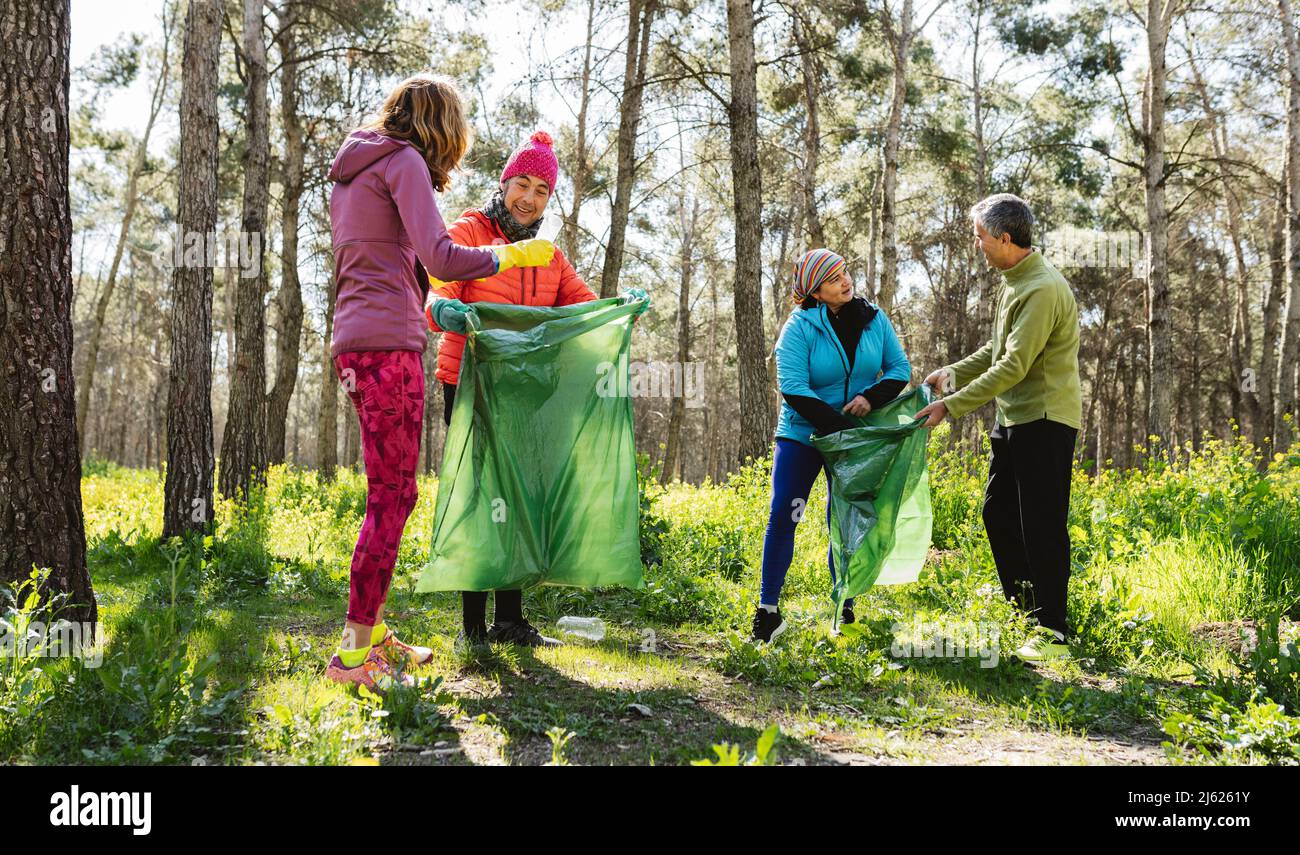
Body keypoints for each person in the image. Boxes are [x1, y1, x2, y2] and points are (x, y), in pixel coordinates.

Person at [324, 75, 557, 689]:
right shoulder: (402, 161)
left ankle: (372, 635)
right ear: (441, 125)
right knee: (393, 498)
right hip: (389, 344)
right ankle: (352, 656)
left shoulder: (353, 169)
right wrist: (512, 257)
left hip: (353, 338)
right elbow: (442, 256)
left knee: (389, 493)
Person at [425, 130, 648, 650]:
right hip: (471, 384)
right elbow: (437, 285)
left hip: (529, 395)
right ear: (503, 183)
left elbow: (583, 311)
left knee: (521, 500)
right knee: (483, 501)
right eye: (520, 183)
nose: (528, 197)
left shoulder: (548, 253)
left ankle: (510, 621)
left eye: (541, 189)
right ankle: (473, 629)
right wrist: (441, 310)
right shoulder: (472, 231)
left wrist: (622, 308)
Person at [914, 193, 1082, 661]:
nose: (977, 244)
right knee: (998, 514)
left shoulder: (1042, 287)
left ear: (1005, 239)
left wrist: (951, 406)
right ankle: (1025, 616)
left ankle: (1053, 633)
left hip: (1045, 419)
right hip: (1014, 419)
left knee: (1041, 525)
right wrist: (953, 372)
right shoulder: (1013, 281)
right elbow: (994, 352)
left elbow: (1014, 365)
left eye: (981, 236)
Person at [753, 248, 912, 643]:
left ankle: (843, 608)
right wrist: (839, 426)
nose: (845, 281)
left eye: (844, 273)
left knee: (844, 520)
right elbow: (793, 388)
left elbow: (899, 370)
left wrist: (871, 398)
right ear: (815, 293)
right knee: (784, 516)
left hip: (853, 436)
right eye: (832, 279)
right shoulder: (799, 327)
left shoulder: (874, 319)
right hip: (803, 436)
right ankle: (768, 612)